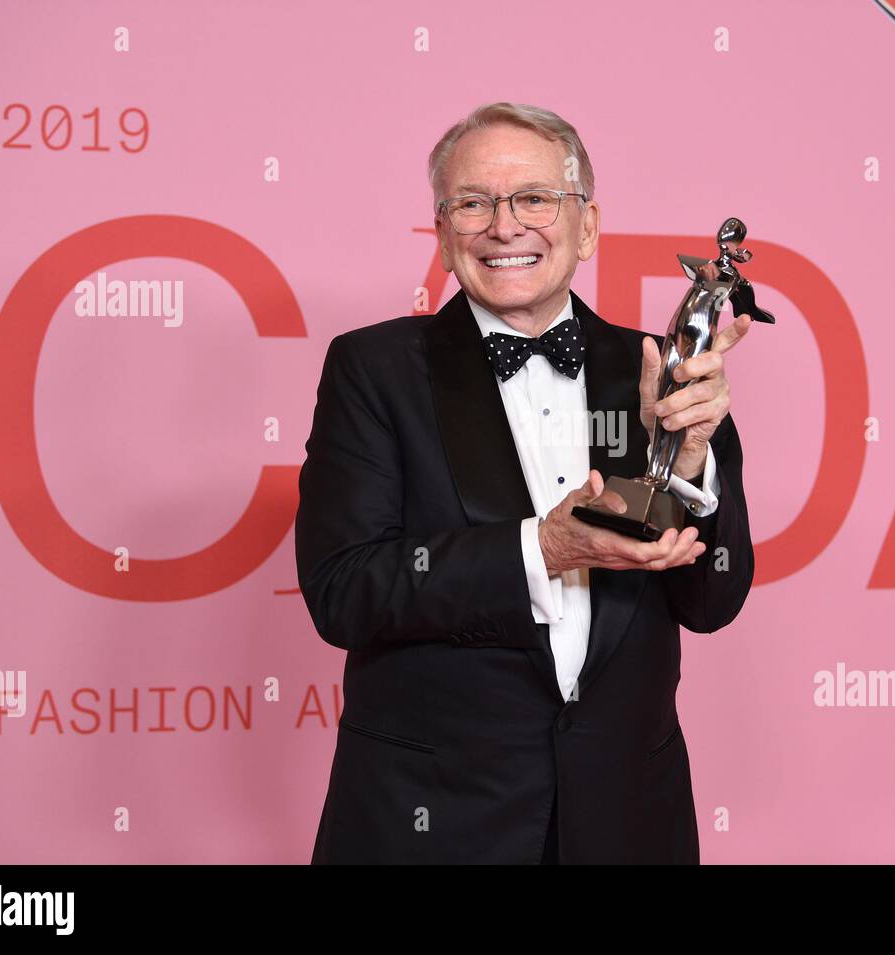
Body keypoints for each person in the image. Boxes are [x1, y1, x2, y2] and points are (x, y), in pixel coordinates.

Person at [295, 102, 755, 864]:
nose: (505, 226)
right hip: (431, 827)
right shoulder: (374, 371)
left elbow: (712, 602)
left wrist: (692, 457)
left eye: (535, 199)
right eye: (473, 203)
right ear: (443, 235)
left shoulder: (658, 368)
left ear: (587, 225)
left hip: (630, 824)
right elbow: (343, 589)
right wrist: (539, 548)